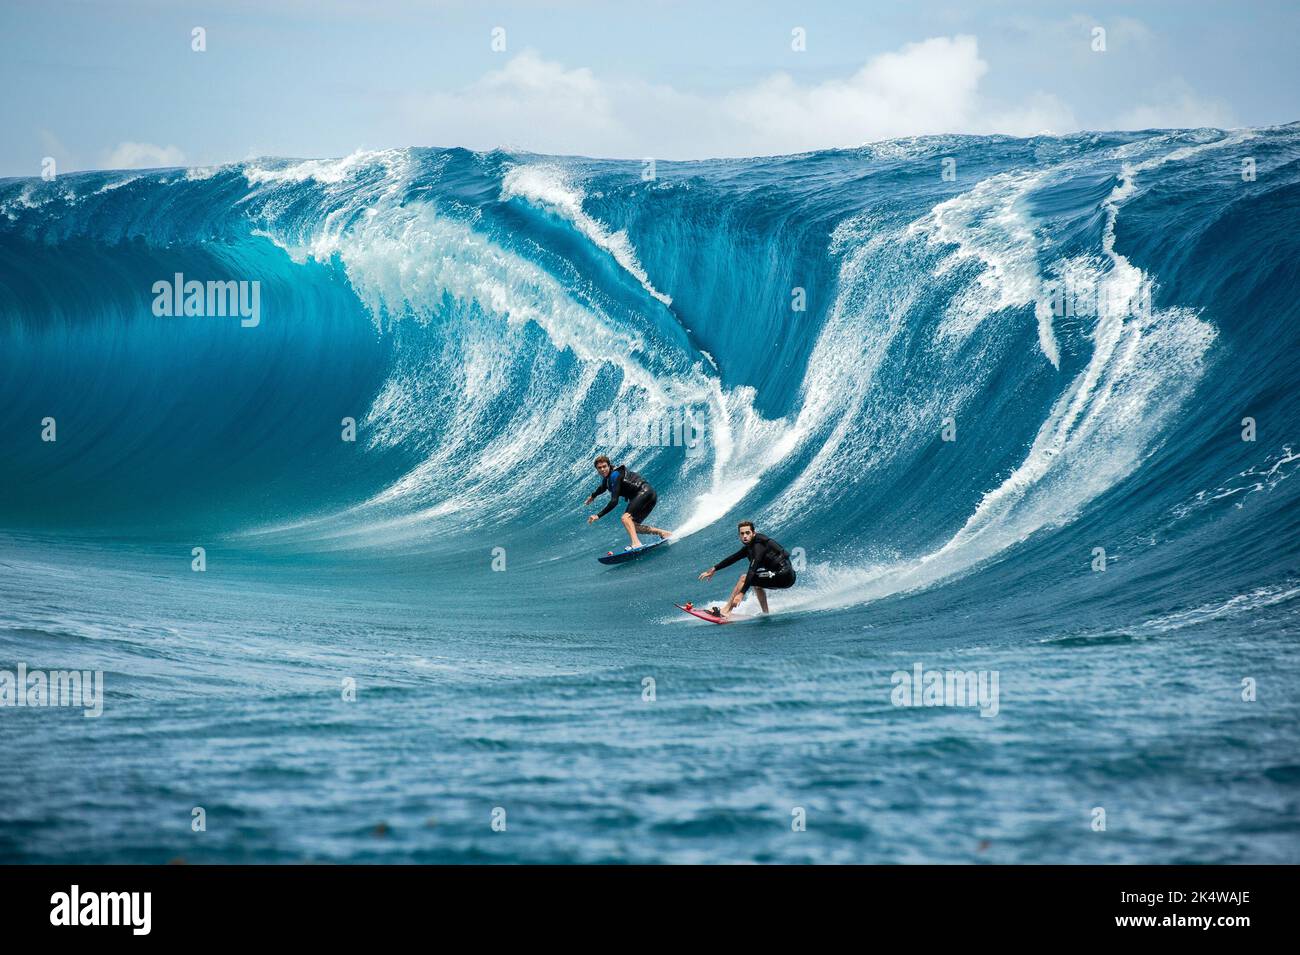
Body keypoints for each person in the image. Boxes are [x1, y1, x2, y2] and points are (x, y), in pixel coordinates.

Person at [697, 520, 795, 618]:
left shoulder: (758, 547)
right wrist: (714, 568)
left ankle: (726, 611)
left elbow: (752, 571)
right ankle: (766, 613)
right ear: (739, 535)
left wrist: (741, 594)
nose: (745, 536)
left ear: (753, 533)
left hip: (784, 575)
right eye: (742, 533)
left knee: (744, 578)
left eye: (747, 533)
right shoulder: (749, 548)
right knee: (757, 584)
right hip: (784, 575)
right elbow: (733, 558)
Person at [584, 455, 672, 549]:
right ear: (597, 469)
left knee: (625, 518)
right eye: (599, 468)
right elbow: (602, 487)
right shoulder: (608, 478)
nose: (602, 469)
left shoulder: (615, 475)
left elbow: (614, 501)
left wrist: (598, 515)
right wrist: (593, 496)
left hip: (644, 492)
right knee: (634, 526)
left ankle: (636, 543)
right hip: (648, 495)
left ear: (609, 466)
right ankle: (663, 533)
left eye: (604, 466)